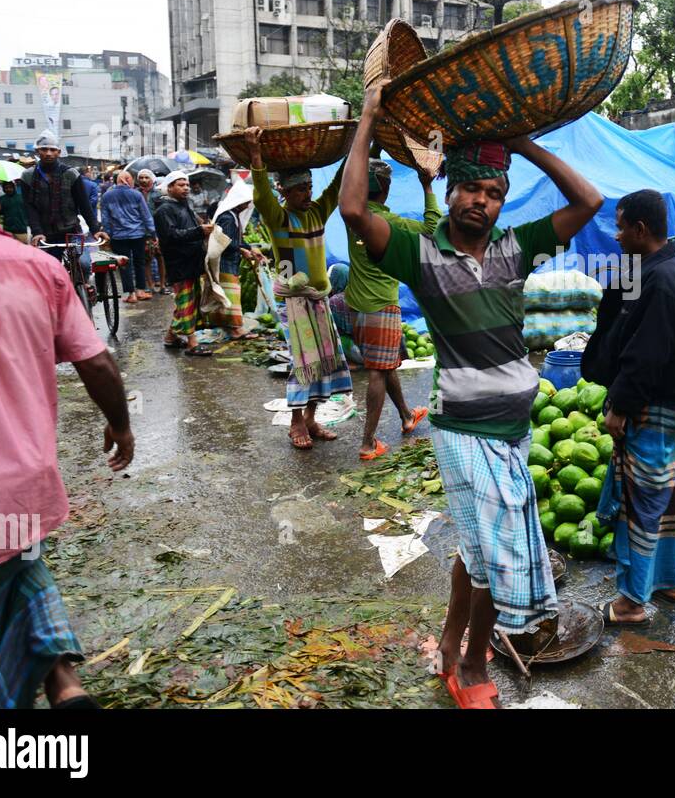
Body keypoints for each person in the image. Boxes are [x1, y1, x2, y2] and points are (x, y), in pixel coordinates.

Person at [339, 82, 602, 709]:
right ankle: (472, 666)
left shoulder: (518, 248)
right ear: (450, 191)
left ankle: (456, 644)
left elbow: (589, 199)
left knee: (476, 550)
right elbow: (352, 211)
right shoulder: (421, 255)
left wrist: (524, 147)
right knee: (496, 552)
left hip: (515, 429)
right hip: (463, 429)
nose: (480, 201)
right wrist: (370, 117)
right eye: (471, 190)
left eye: (491, 193)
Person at [0, 141, 134, 708]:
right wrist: (121, 425)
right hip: (25, 485)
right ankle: (66, 686)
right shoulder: (38, 268)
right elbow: (95, 360)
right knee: (21, 572)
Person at [582, 189, 675, 625]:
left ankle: (632, 602)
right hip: (667, 402)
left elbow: (646, 355)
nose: (615, 236)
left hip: (652, 405)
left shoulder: (663, 279)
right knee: (663, 488)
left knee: (642, 500)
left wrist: (621, 406)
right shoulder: (658, 268)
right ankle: (666, 579)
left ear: (640, 229)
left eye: (620, 226)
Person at [246, 131, 354, 450]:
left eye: (309, 187)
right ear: (286, 192)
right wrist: (255, 154)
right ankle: (295, 422)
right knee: (301, 361)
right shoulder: (279, 218)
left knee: (322, 359)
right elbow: (262, 194)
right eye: (300, 189)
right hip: (292, 301)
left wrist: (358, 144)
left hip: (319, 299)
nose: (308, 193)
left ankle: (310, 417)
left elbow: (339, 184)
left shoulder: (318, 212)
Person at [344, 156, 438, 461]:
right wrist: (427, 187)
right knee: (377, 371)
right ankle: (367, 442)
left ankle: (407, 416)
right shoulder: (390, 223)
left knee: (386, 365)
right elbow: (432, 229)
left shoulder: (353, 216)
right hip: (382, 306)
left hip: (357, 305)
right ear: (385, 188)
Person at [19, 132, 108, 259]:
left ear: (58, 152)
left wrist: (95, 229)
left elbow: (84, 205)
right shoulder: (27, 177)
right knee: (46, 270)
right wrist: (37, 232)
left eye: (52, 149)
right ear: (37, 151)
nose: (49, 153)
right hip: (45, 234)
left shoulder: (70, 174)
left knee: (83, 264)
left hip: (72, 231)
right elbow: (30, 208)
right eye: (44, 149)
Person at [154, 170, 214, 355]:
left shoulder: (183, 205)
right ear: (170, 187)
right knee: (186, 302)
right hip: (179, 263)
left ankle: (171, 337)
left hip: (192, 261)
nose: (186, 188)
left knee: (187, 302)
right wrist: (199, 231)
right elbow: (171, 236)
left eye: (187, 185)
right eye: (181, 185)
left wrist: (202, 227)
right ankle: (192, 344)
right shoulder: (164, 210)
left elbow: (190, 226)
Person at [202, 175, 264, 340]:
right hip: (225, 262)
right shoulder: (228, 218)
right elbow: (226, 243)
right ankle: (235, 330)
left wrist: (250, 248)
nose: (247, 206)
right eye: (245, 203)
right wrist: (242, 250)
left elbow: (237, 240)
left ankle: (229, 326)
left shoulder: (233, 216)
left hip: (230, 261)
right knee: (231, 295)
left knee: (227, 294)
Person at [99, 171, 156, 304]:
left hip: (118, 236)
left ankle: (131, 294)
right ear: (128, 180)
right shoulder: (136, 194)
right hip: (138, 235)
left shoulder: (107, 196)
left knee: (124, 265)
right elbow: (146, 215)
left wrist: (108, 233)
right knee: (139, 262)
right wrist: (153, 233)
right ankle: (141, 290)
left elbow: (105, 218)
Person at [136, 169, 170, 294]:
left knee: (161, 257)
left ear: (152, 179)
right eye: (141, 177)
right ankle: (150, 286)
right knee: (146, 259)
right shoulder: (136, 194)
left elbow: (164, 213)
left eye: (146, 177)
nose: (144, 180)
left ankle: (162, 285)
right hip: (142, 231)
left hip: (158, 231)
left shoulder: (158, 194)